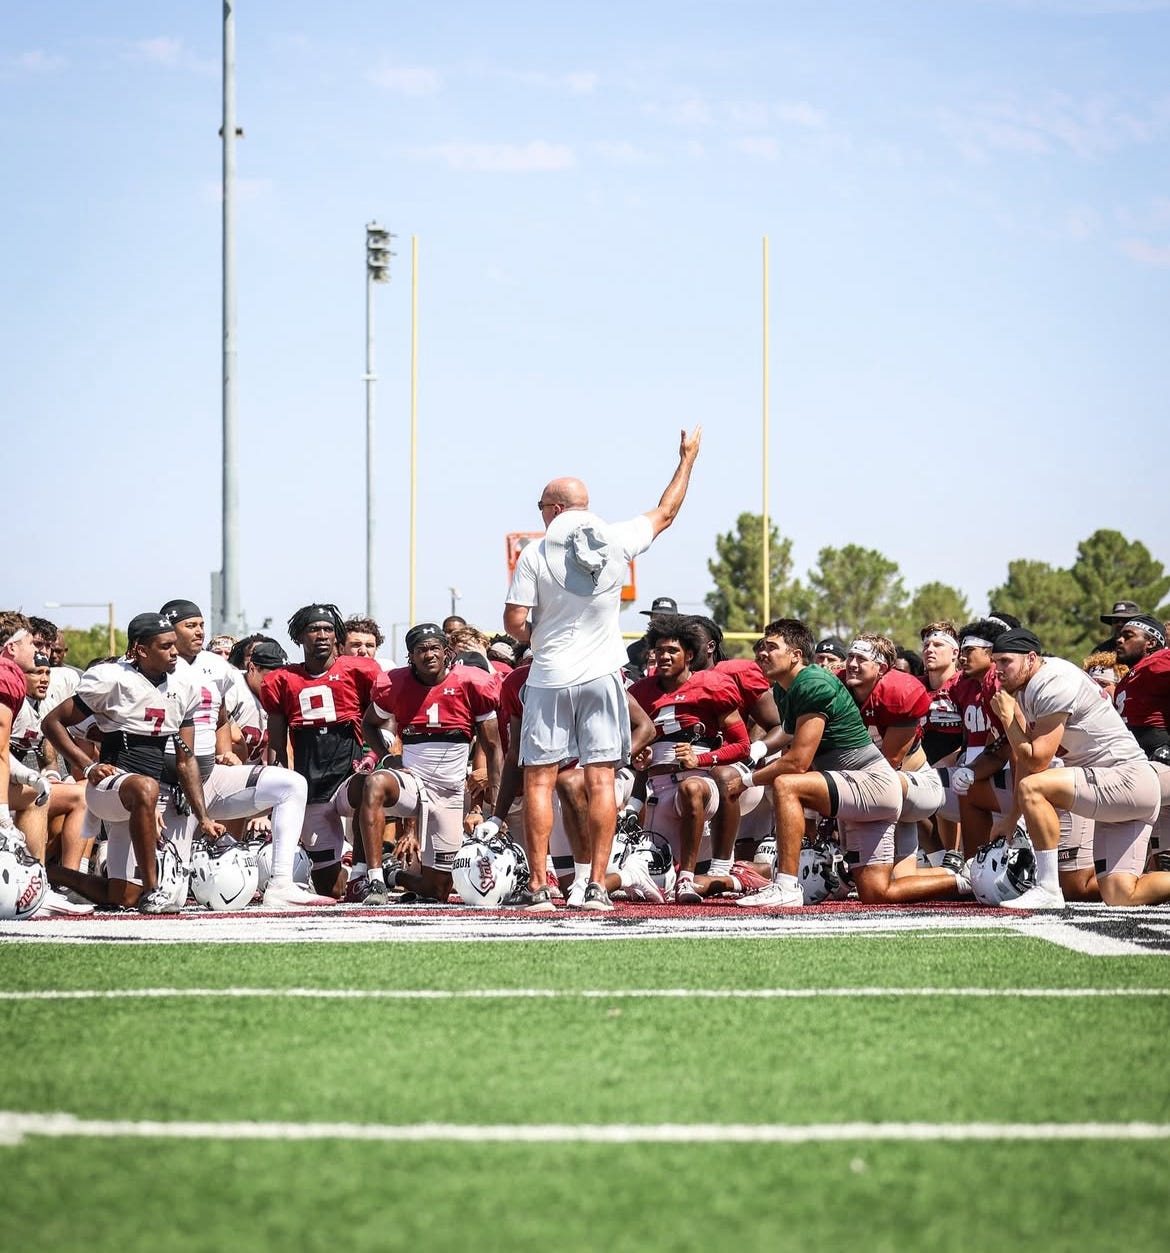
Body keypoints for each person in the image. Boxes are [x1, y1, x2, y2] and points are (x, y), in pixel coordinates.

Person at [502, 426, 702, 911]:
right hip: (602, 676)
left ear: (552, 509)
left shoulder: (534, 551)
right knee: (599, 779)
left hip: (550, 675)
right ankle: (594, 884)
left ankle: (539, 885)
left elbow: (513, 621)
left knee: (540, 781)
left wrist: (537, 639)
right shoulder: (616, 538)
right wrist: (687, 458)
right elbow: (667, 512)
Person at [728, 619, 967, 908]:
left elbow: (797, 763)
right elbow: (791, 735)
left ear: (795, 655)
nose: (762, 653)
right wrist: (759, 750)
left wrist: (746, 780)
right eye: (761, 647)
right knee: (876, 893)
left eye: (771, 647)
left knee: (786, 784)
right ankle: (968, 880)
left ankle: (786, 886)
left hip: (884, 782)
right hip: (860, 786)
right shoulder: (785, 688)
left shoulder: (813, 682)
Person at [41, 613, 227, 913]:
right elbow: (52, 723)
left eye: (174, 645)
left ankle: (51, 873)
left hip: (145, 794)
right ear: (141, 650)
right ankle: (153, 890)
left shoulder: (186, 682)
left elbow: (185, 758)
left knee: (124, 897)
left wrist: (203, 817)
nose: (175, 652)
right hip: (109, 787)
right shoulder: (113, 679)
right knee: (145, 787)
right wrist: (88, 765)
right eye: (165, 646)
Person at [988, 626, 1168, 909]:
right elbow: (1026, 760)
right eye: (994, 662)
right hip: (1123, 788)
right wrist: (1012, 817)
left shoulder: (1050, 681)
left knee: (1034, 787)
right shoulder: (1027, 686)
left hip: (1126, 779)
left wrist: (1009, 718)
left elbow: (1036, 761)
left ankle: (1048, 889)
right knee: (1121, 895)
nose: (997, 670)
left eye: (1005, 661)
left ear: (1031, 658)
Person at [357, 623, 503, 904]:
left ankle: (392, 875)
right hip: (412, 782)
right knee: (375, 782)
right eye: (421, 650)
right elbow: (369, 724)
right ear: (410, 656)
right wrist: (387, 758)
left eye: (435, 648)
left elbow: (494, 748)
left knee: (438, 890)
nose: (429, 655)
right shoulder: (396, 684)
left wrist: (494, 809)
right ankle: (374, 880)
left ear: (447, 652)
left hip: (449, 793)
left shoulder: (472, 682)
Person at [259, 604, 383, 898]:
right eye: (315, 629)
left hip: (348, 774)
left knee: (369, 788)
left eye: (328, 629)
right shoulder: (282, 681)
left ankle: (366, 871)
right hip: (310, 784)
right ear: (300, 636)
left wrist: (374, 754)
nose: (322, 635)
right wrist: (277, 789)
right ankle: (349, 866)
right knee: (333, 889)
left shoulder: (358, 671)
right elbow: (277, 743)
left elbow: (382, 717)